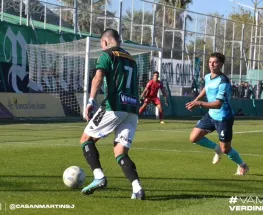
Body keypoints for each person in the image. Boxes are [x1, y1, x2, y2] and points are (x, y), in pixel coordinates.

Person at [80, 29, 145, 200]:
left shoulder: (107, 55)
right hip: (132, 110)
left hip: (114, 106)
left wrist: (90, 101)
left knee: (86, 139)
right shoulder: (132, 59)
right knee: (120, 151)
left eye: (102, 45)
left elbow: (98, 78)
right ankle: (137, 188)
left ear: (105, 42)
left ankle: (98, 176)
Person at [185, 52, 249, 175]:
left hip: (223, 118)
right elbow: (206, 88)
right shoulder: (208, 76)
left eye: (215, 62)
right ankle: (216, 148)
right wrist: (196, 100)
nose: (211, 64)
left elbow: (218, 104)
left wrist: (199, 104)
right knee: (194, 138)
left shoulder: (223, 82)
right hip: (211, 115)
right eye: (210, 62)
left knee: (226, 149)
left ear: (221, 64)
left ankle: (242, 165)